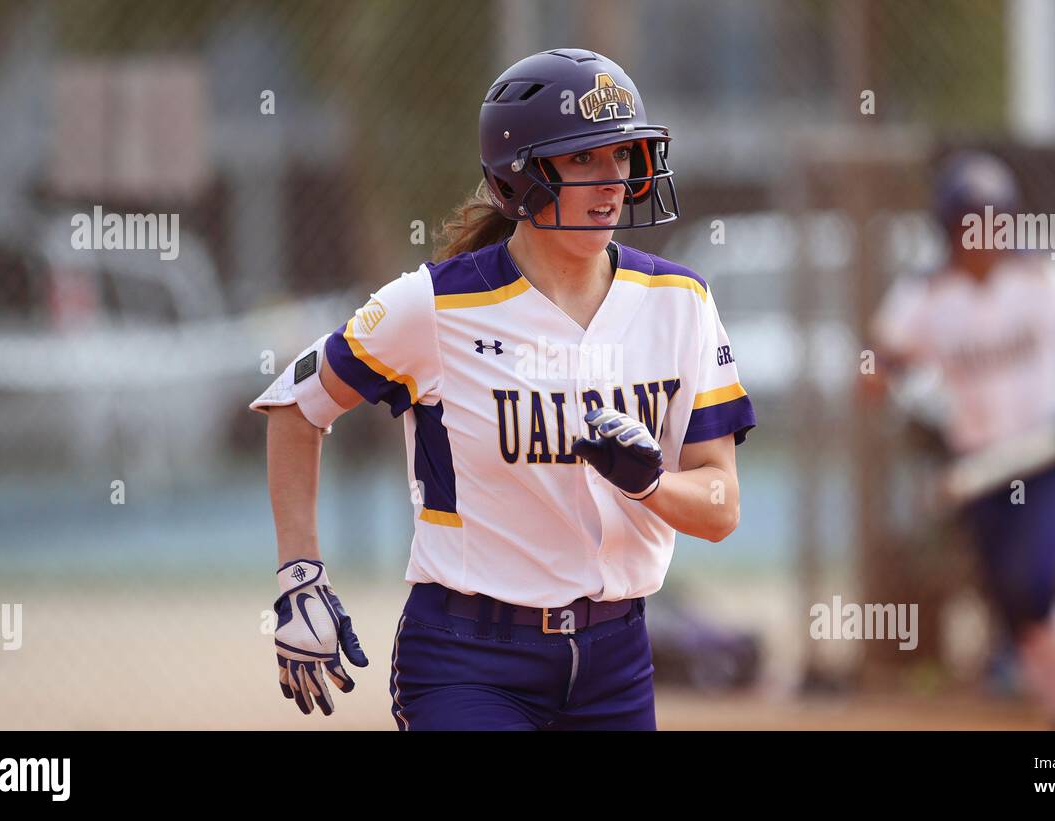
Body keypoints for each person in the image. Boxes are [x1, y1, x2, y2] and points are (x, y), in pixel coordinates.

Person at [250, 48, 756, 730]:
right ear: (520, 177)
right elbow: (295, 407)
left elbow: (720, 505)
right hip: (469, 658)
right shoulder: (435, 305)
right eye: (583, 159)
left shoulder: (680, 302)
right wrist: (299, 574)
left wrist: (648, 484)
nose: (612, 181)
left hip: (617, 657)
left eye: (623, 155)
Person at [868, 151, 1055, 730]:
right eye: (968, 222)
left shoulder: (1045, 276)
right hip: (982, 468)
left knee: (1036, 579)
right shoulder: (927, 294)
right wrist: (886, 375)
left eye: (993, 219)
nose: (983, 235)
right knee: (1011, 601)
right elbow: (881, 362)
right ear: (949, 230)